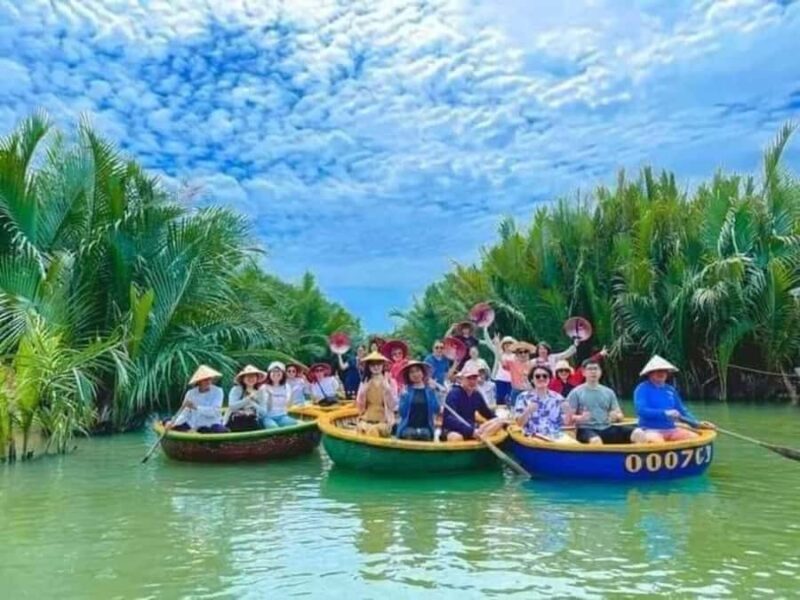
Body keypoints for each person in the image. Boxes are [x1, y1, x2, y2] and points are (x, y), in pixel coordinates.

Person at [630, 355, 715, 443]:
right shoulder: (642, 389)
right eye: (658, 371)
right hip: (649, 429)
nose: (661, 373)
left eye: (664, 371)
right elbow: (641, 411)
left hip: (671, 429)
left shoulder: (670, 390)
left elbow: (682, 410)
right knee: (657, 442)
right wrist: (665, 413)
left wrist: (698, 423)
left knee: (694, 437)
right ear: (649, 373)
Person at [566, 359, 636, 444]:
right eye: (590, 369)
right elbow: (567, 419)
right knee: (596, 441)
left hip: (606, 427)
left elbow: (620, 415)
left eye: (596, 369)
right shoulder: (576, 392)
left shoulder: (609, 392)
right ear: (583, 373)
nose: (593, 372)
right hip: (586, 429)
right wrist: (580, 418)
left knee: (638, 433)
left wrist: (615, 416)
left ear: (600, 372)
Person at [514, 365, 578, 444]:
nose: (541, 378)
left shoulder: (558, 398)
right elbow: (518, 424)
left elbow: (566, 423)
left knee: (574, 444)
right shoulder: (523, 397)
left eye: (545, 376)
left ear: (549, 379)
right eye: (537, 376)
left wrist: (568, 412)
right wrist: (527, 411)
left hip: (556, 435)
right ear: (532, 380)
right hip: (532, 436)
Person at [441, 365, 503, 442]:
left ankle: (481, 438)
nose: (472, 382)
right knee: (456, 437)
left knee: (499, 422)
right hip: (452, 430)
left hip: (471, 429)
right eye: (469, 378)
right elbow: (449, 419)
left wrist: (504, 422)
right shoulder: (454, 394)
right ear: (462, 380)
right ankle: (479, 438)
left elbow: (487, 414)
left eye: (474, 378)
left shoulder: (476, 395)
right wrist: (470, 431)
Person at [168, 365, 228, 433]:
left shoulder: (218, 391)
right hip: (195, 424)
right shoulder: (190, 393)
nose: (208, 382)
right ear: (199, 381)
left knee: (221, 430)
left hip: (212, 423)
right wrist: (174, 423)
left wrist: (196, 407)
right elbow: (184, 413)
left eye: (210, 379)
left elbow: (214, 411)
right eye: (205, 379)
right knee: (169, 423)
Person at [355, 350, 396, 437]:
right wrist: (363, 392)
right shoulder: (364, 383)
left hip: (384, 421)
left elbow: (393, 406)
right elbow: (360, 409)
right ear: (368, 367)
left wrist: (388, 390)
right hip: (366, 419)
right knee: (364, 429)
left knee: (374, 431)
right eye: (372, 364)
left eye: (379, 364)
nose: (376, 367)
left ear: (383, 365)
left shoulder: (390, 382)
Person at [396, 361, 440, 441]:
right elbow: (402, 413)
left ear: (422, 372)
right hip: (408, 428)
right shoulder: (406, 391)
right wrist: (404, 397)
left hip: (425, 428)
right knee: (409, 434)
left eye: (417, 370)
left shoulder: (429, 390)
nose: (415, 374)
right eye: (412, 372)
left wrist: (433, 392)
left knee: (425, 434)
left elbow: (436, 409)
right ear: (408, 376)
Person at [225, 364, 267, 431]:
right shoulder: (236, 389)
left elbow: (264, 412)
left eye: (253, 376)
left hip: (253, 421)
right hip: (236, 421)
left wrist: (253, 404)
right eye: (248, 376)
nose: (251, 379)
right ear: (243, 378)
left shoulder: (260, 392)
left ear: (257, 378)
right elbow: (232, 406)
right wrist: (248, 399)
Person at [480, 332, 516, 406]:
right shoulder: (500, 353)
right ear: (503, 346)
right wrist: (485, 329)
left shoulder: (516, 356)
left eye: (510, 344)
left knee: (511, 401)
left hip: (512, 381)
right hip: (500, 380)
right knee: (500, 401)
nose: (508, 346)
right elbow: (489, 343)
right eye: (506, 344)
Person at [261, 362, 299, 428]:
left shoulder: (286, 386)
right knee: (274, 427)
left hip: (282, 416)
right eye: (273, 372)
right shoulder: (264, 387)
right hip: (268, 417)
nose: (276, 374)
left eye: (278, 372)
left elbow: (289, 405)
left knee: (293, 423)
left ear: (282, 374)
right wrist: (270, 396)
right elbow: (266, 407)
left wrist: (292, 394)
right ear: (269, 374)